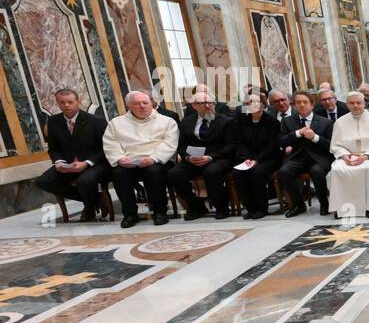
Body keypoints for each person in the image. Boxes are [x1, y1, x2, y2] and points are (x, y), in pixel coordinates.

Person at [103, 90, 179, 228]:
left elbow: (170, 143)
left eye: (145, 103)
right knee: (119, 173)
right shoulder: (116, 123)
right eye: (137, 104)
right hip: (128, 162)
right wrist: (120, 159)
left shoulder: (167, 121)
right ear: (129, 107)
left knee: (153, 172)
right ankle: (130, 214)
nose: (142, 106)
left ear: (151, 103)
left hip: (157, 160)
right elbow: (111, 143)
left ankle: (160, 212)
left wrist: (154, 158)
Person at [36, 89, 110, 222]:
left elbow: (107, 148)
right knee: (43, 181)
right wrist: (58, 162)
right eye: (62, 102)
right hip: (68, 164)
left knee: (85, 181)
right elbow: (53, 149)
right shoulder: (53, 122)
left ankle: (89, 207)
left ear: (78, 102)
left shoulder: (96, 121)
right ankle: (95, 200)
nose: (67, 105)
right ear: (58, 104)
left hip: (95, 163)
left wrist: (87, 163)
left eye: (70, 102)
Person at [167, 90, 234, 220]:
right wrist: (187, 157)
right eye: (204, 103)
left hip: (218, 158)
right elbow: (181, 145)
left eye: (211, 103)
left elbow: (230, 145)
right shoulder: (186, 122)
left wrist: (210, 157)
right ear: (194, 106)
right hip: (193, 159)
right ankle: (196, 206)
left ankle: (221, 207)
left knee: (212, 172)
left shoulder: (225, 121)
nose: (209, 106)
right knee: (173, 174)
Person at [327, 91, 369, 218]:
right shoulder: (340, 122)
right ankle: (342, 209)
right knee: (337, 169)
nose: (355, 106)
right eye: (352, 103)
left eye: (358, 103)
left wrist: (364, 157)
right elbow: (335, 146)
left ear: (364, 104)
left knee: (367, 168)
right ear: (347, 104)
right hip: (347, 157)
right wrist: (345, 156)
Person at [278, 91, 333, 217]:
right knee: (284, 171)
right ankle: (299, 205)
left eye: (305, 102)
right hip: (297, 157)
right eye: (298, 103)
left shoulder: (325, 122)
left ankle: (324, 204)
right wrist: (297, 133)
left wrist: (315, 137)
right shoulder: (288, 121)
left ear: (312, 105)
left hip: (319, 158)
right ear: (294, 106)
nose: (302, 105)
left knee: (316, 171)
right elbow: (282, 141)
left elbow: (331, 146)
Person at [230, 93, 281, 220]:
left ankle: (262, 208)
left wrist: (257, 160)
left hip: (269, 157)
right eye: (249, 103)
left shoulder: (272, 122)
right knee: (238, 173)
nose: (253, 105)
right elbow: (240, 143)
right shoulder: (241, 122)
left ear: (263, 104)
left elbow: (272, 145)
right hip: (248, 158)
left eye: (256, 102)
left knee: (256, 172)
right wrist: (247, 158)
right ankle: (250, 208)